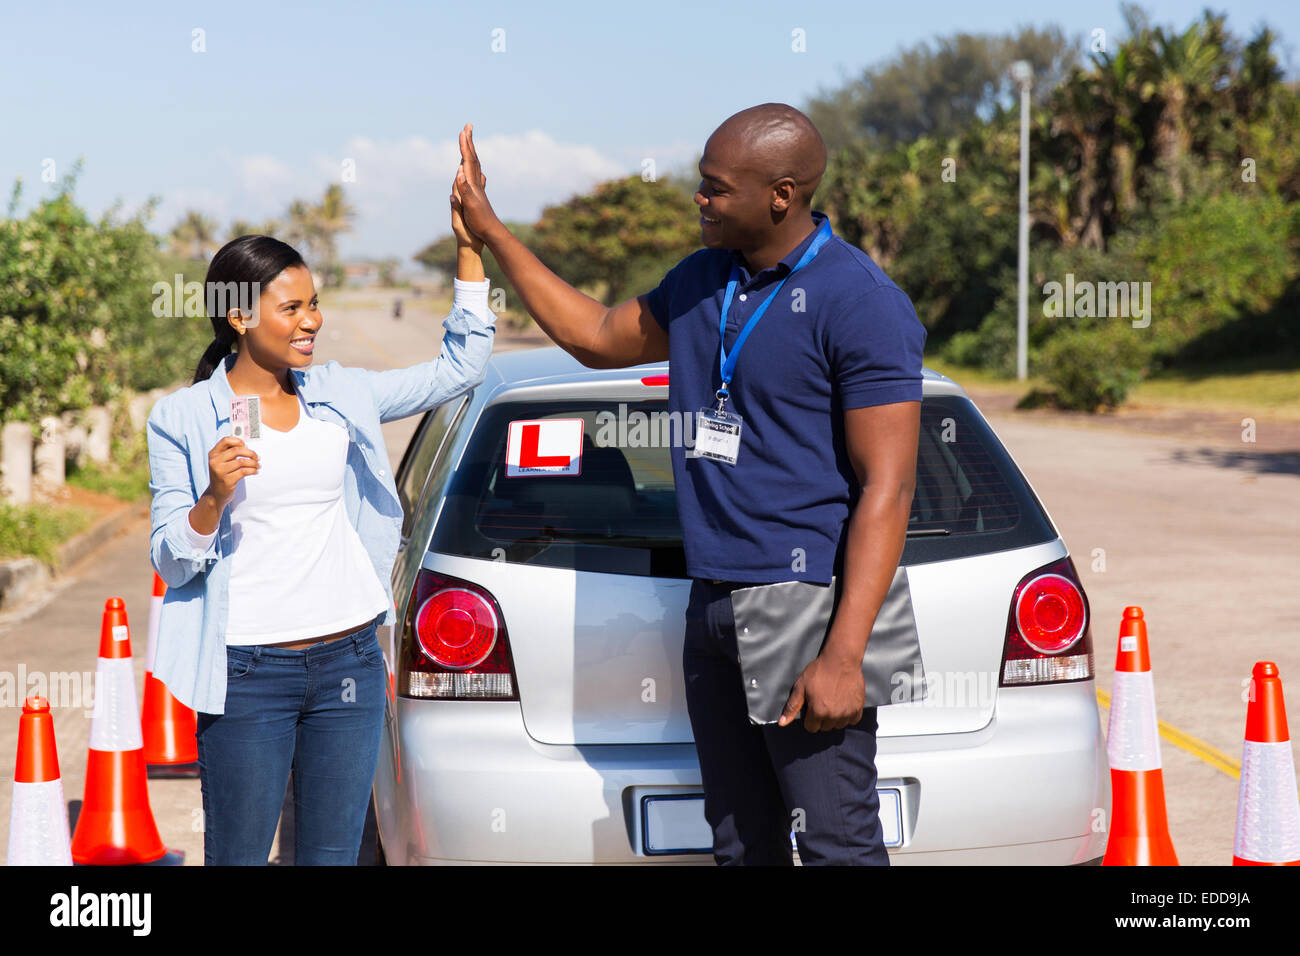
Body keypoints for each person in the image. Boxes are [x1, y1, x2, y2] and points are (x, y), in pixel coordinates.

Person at [450, 105, 925, 865]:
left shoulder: (858, 300)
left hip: (802, 603)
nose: (698, 200)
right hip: (712, 602)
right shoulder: (706, 278)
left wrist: (845, 654)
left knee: (838, 845)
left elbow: (889, 489)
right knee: (740, 845)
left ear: (782, 193)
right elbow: (597, 336)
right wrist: (493, 230)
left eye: (715, 188)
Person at [146, 175, 496, 865]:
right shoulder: (182, 419)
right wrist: (212, 497)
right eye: (292, 307)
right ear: (240, 317)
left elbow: (461, 367)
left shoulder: (339, 391)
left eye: (315, 305)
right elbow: (170, 559)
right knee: (240, 855)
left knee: (333, 856)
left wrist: (469, 250)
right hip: (247, 669)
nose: (312, 321)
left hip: (351, 659)